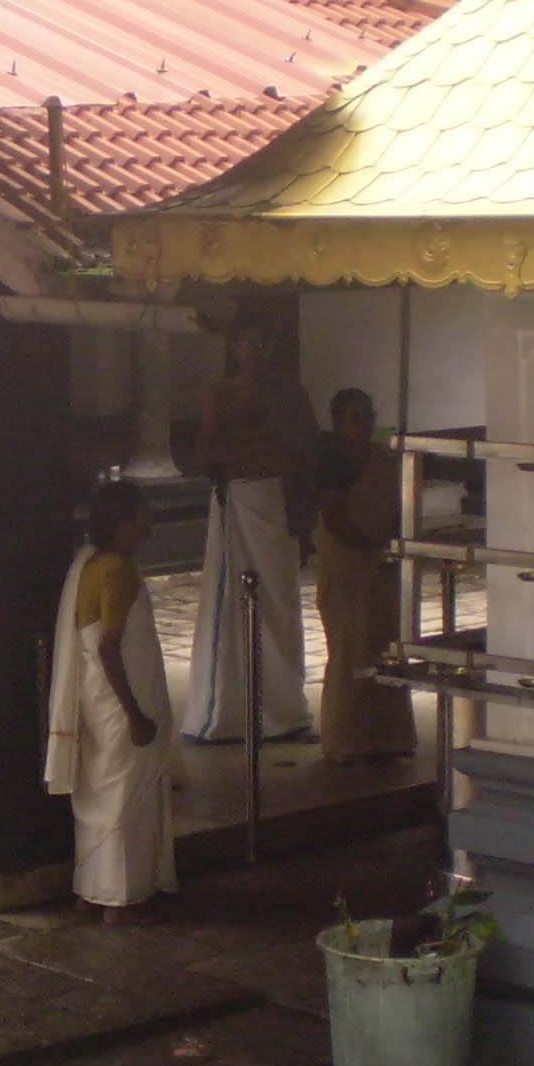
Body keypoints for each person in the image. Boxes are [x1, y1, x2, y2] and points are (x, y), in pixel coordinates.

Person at [47, 480, 178, 919]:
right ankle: (121, 898)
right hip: (119, 701)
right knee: (124, 797)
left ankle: (92, 890)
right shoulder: (117, 570)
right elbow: (108, 647)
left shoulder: (89, 564)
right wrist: (135, 713)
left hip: (95, 698)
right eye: (142, 518)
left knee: (99, 795)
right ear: (123, 523)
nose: (149, 528)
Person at [184, 322, 315, 742]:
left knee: (279, 602)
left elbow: (305, 452)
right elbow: (206, 450)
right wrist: (245, 451)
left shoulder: (290, 395)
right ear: (234, 348)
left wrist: (304, 518)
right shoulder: (220, 395)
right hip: (239, 499)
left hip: (276, 500)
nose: (254, 350)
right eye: (246, 342)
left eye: (261, 342)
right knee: (233, 602)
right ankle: (227, 711)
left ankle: (283, 710)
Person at [313, 387, 420, 763]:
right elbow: (334, 518)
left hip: (382, 565)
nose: (364, 423)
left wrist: (391, 545)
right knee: (349, 650)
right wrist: (370, 546)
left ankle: (389, 736)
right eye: (354, 417)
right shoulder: (334, 463)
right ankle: (346, 739)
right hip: (347, 564)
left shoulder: (382, 459)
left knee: (385, 645)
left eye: (368, 415)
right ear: (338, 422)